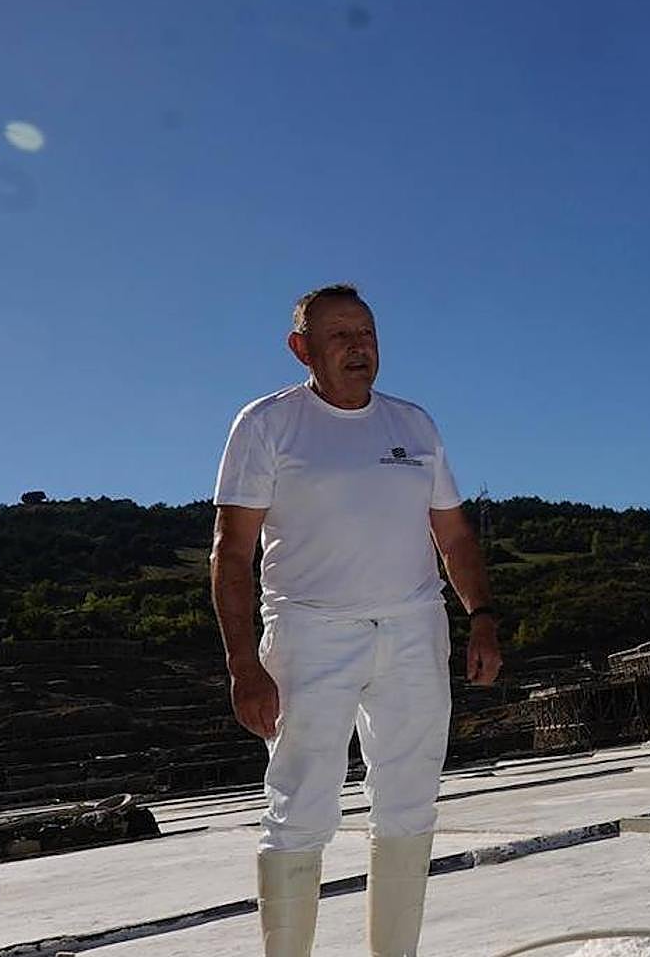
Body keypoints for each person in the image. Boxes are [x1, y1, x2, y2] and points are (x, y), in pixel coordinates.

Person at [210, 283, 503, 957]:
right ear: (301, 349)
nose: (357, 346)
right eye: (339, 335)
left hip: (412, 631)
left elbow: (454, 538)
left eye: (366, 332)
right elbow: (232, 553)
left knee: (410, 801)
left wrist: (481, 617)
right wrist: (242, 664)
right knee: (300, 807)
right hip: (309, 633)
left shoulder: (413, 426)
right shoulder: (267, 424)